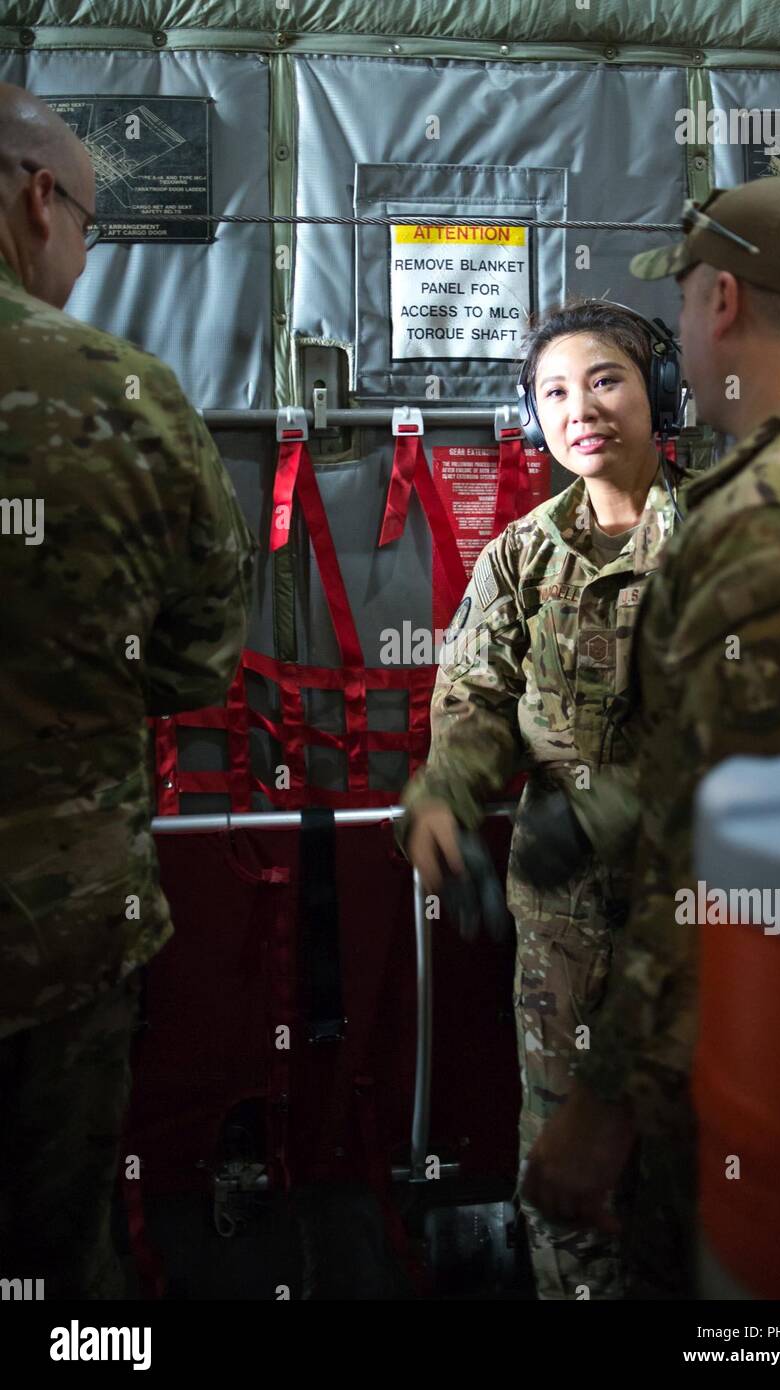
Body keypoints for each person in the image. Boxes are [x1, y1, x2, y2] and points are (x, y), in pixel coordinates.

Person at [536, 176, 780, 1297]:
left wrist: (605, 1103)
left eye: (679, 303)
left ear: (719, 299)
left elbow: (725, 871)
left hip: (776, 1059)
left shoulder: (758, 519)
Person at [0, 83, 257, 1297]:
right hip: (51, 936)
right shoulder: (126, 394)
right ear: (38, 200)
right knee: (55, 1260)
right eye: (93, 229)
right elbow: (198, 662)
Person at [399, 298, 692, 1299]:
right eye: (554, 391)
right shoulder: (519, 556)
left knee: (703, 1157)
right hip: (560, 926)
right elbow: (475, 699)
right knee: (564, 1163)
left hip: (703, 916)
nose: (581, 408)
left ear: (660, 394)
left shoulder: (723, 543)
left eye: (606, 379)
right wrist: (443, 792)